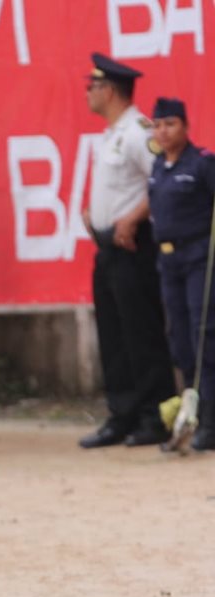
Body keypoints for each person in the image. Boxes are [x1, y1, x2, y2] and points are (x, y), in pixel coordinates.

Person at [79, 53, 176, 449]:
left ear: (110, 90)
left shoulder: (138, 131)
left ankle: (155, 415)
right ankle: (123, 413)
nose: (88, 93)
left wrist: (133, 218)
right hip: (108, 248)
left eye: (92, 86)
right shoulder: (110, 134)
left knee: (141, 332)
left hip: (134, 246)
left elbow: (162, 178)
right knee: (113, 335)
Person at [147, 97, 215, 451]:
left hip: (199, 258)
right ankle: (190, 415)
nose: (163, 131)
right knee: (180, 339)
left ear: (185, 127)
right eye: (158, 125)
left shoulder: (202, 163)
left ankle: (210, 421)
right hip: (168, 261)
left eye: (170, 124)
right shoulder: (159, 165)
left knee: (204, 335)